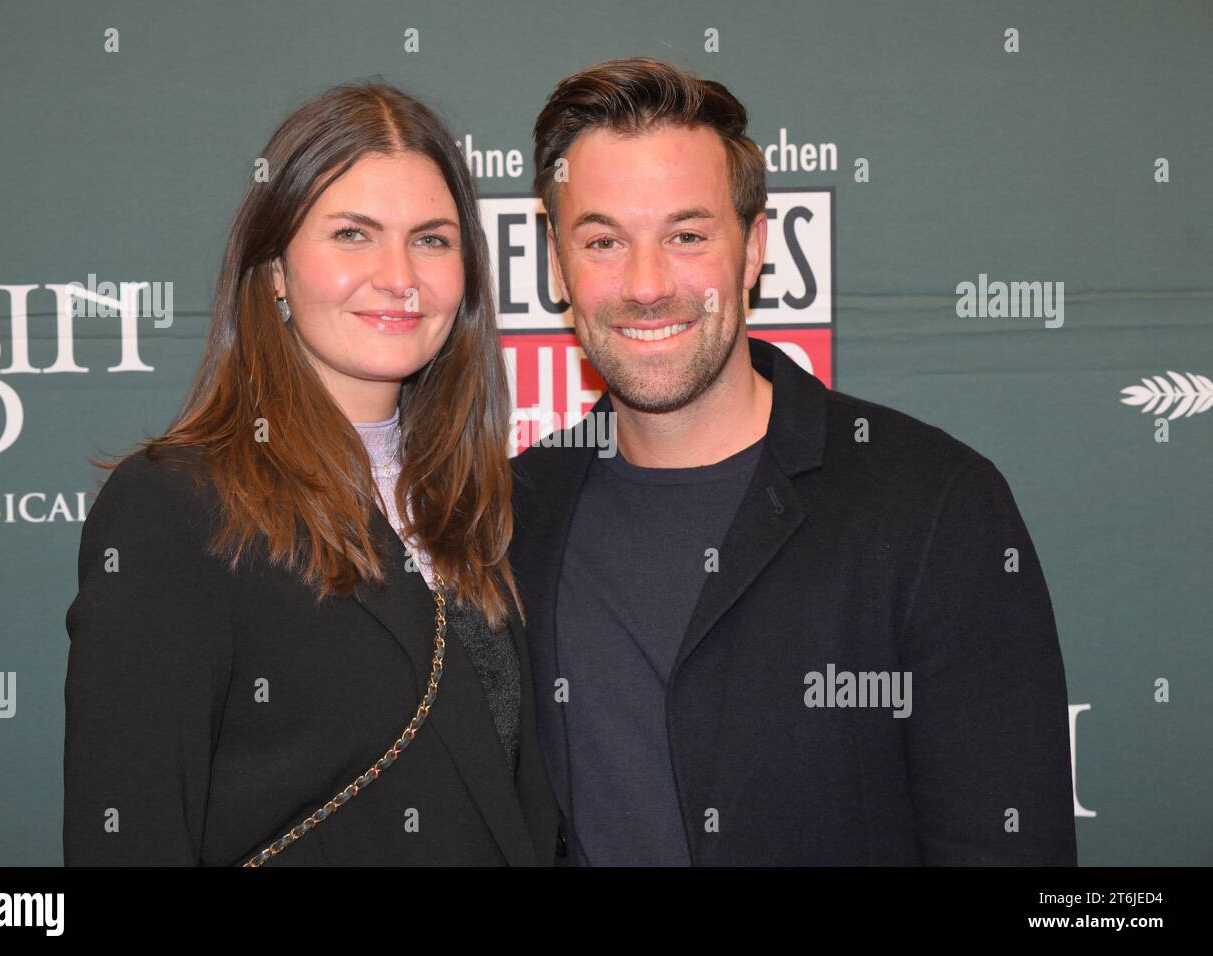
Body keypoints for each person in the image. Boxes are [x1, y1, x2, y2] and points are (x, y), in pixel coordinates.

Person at [511, 57, 1078, 865]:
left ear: (752, 249)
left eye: (687, 235)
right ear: (557, 261)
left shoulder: (934, 504)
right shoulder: (511, 515)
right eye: (603, 240)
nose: (645, 285)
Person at [63, 83, 557, 866]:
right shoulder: (176, 506)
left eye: (432, 239)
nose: (399, 275)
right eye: (353, 234)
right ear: (276, 272)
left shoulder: (482, 506)